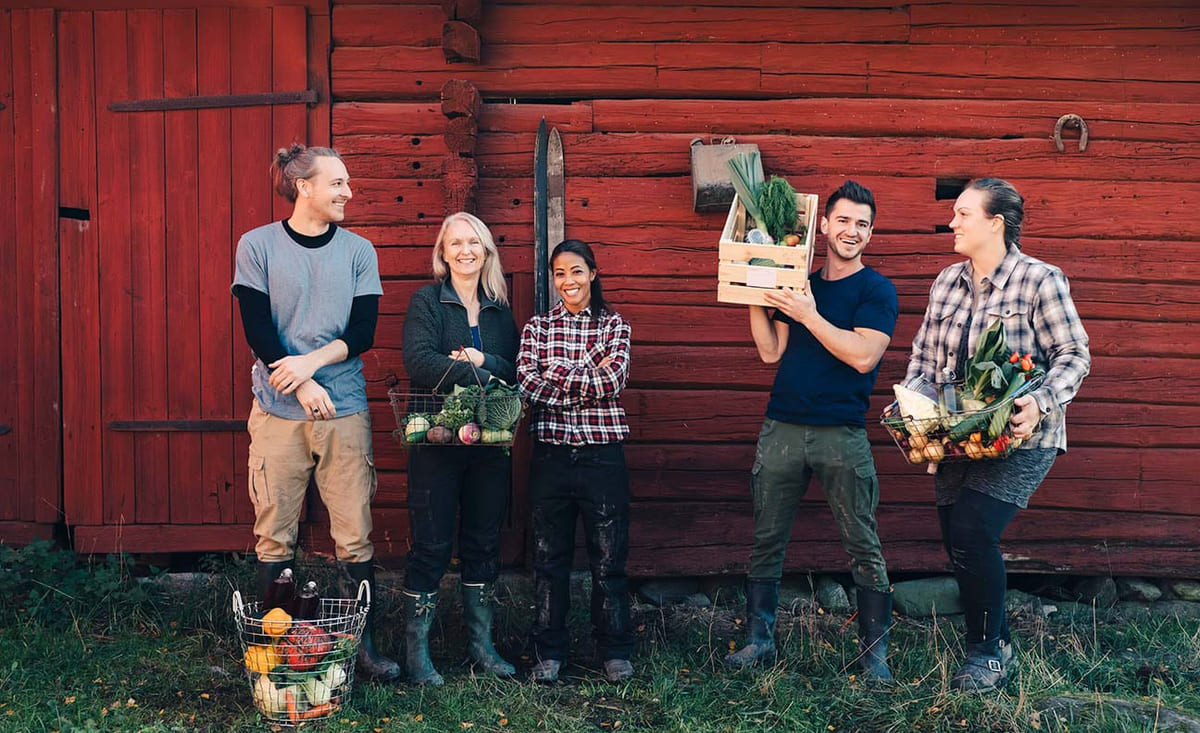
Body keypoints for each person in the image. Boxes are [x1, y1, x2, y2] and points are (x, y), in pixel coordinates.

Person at [904, 178, 1090, 692]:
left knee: (971, 533)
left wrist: (1038, 401)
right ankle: (997, 638)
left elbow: (1074, 355)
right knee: (956, 541)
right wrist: (915, 411)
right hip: (956, 438)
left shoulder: (1039, 280)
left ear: (995, 223)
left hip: (1023, 437)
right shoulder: (946, 282)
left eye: (963, 214)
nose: (953, 222)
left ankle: (986, 653)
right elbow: (922, 357)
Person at [232, 144, 399, 681]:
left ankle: (362, 649)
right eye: (338, 183)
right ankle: (274, 650)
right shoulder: (256, 245)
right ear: (303, 186)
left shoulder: (358, 251)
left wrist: (310, 366)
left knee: (354, 533)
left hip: (343, 410)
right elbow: (258, 329)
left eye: (347, 184)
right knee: (274, 533)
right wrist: (299, 385)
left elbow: (362, 333)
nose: (348, 192)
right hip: (278, 412)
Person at [726, 180, 899, 680]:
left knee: (862, 540)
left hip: (840, 433)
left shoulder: (875, 289)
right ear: (823, 225)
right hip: (781, 426)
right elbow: (770, 351)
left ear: (870, 234)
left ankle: (875, 658)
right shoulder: (801, 280)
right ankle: (759, 641)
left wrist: (808, 313)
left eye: (862, 224)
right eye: (843, 220)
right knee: (766, 537)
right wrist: (757, 293)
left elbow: (864, 354)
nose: (852, 231)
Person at [399, 211, 520, 685]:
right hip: (436, 440)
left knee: (483, 542)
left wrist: (482, 360)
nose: (466, 250)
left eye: (474, 242)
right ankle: (417, 655)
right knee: (430, 545)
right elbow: (420, 361)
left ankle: (481, 646)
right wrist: (487, 376)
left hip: (489, 444)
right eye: (456, 244)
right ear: (442, 253)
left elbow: (513, 366)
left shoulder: (497, 308)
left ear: (486, 251)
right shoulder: (427, 302)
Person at [517, 240, 635, 683]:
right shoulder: (537, 328)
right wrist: (583, 373)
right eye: (560, 274)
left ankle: (615, 651)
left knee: (609, 561)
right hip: (550, 457)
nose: (568, 282)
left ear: (593, 273)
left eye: (577, 272)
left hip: (602, 457)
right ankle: (549, 652)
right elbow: (528, 384)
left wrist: (557, 376)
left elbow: (614, 378)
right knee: (550, 561)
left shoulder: (614, 325)